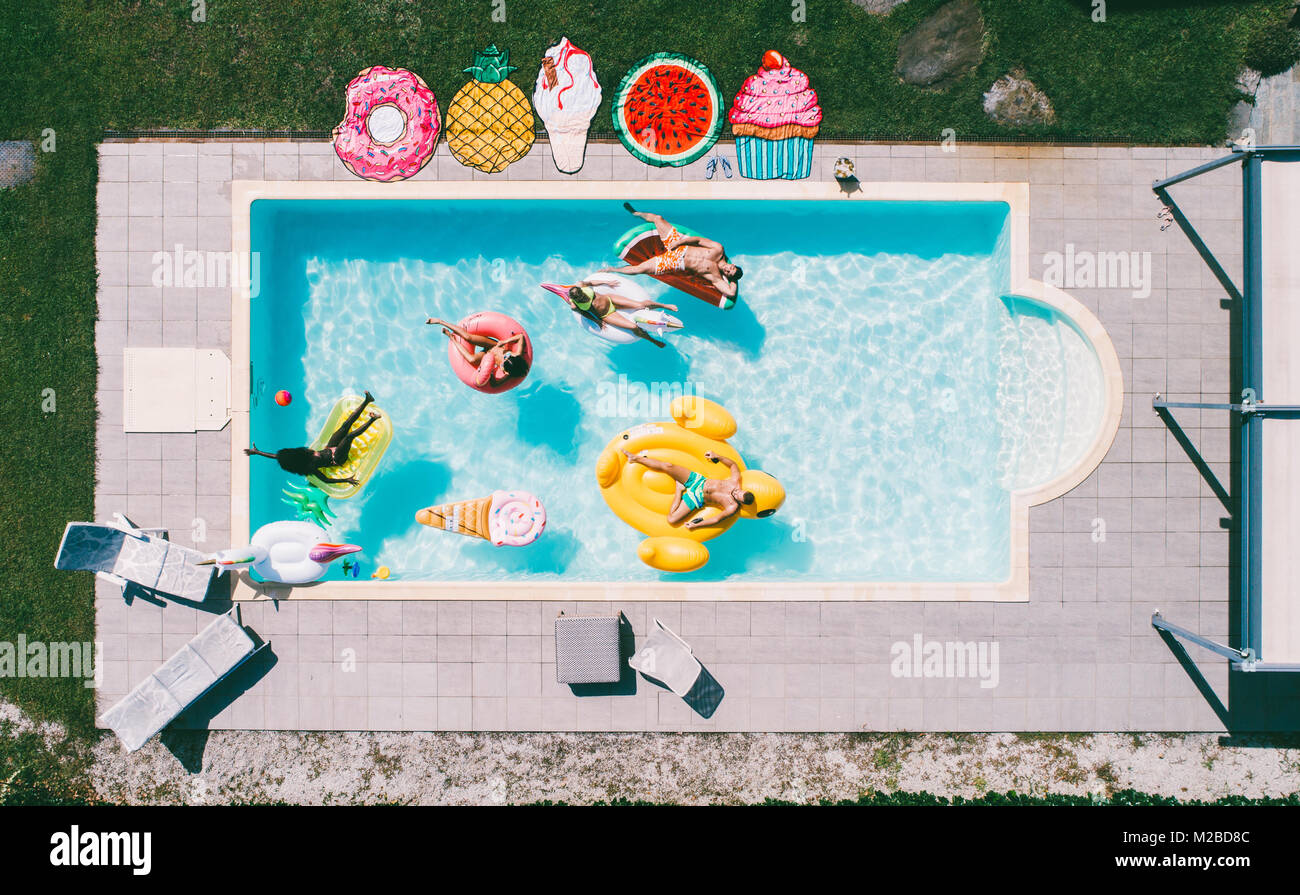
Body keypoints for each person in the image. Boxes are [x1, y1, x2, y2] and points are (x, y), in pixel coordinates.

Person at [602, 203, 743, 300]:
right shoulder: (718, 249)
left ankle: (612, 269)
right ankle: (636, 213)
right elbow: (698, 240)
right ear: (733, 264)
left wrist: (733, 280)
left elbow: (730, 293)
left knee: (640, 269)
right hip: (679, 246)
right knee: (658, 218)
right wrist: (679, 242)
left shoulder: (715, 276)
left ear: (728, 275)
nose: (728, 269)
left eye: (729, 273)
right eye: (731, 268)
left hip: (675, 262)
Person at [245, 391, 380, 484]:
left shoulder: (303, 454)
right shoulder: (309, 467)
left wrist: (257, 452)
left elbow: (276, 456)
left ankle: (367, 400)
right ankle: (372, 420)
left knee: (345, 426)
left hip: (329, 448)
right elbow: (326, 479)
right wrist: (346, 480)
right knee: (349, 436)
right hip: (337, 458)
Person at [622, 449, 754, 530]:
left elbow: (716, 519)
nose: (736, 492)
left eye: (737, 495)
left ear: (739, 501)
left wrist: (697, 525)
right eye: (739, 491)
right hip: (698, 480)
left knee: (672, 520)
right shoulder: (735, 482)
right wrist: (717, 456)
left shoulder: (732, 507)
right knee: (668, 466)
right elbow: (732, 465)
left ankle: (679, 491)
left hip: (697, 498)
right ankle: (635, 458)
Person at [548, 280, 671, 348]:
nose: (583, 297)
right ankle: (651, 340)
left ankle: (665, 306)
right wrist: (597, 321)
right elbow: (585, 314)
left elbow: (592, 282)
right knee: (633, 327)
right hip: (607, 314)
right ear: (576, 299)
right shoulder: (574, 305)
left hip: (610, 299)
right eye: (580, 298)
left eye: (582, 294)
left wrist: (607, 283)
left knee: (641, 304)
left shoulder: (581, 285)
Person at [427, 317, 530, 387]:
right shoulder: (517, 355)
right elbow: (520, 337)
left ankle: (451, 338)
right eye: (507, 356)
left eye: (504, 362)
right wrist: (504, 341)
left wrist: (490, 370)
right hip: (493, 345)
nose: (505, 357)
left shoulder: (507, 375)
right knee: (468, 338)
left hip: (487, 357)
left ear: (506, 371)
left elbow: (494, 385)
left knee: (472, 359)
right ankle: (440, 321)